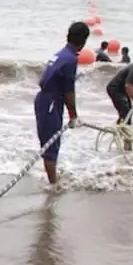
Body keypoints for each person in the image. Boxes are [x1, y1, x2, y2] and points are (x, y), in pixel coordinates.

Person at [33, 22, 90, 184]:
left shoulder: (62, 53)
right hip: (50, 103)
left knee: (50, 143)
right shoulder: (71, 59)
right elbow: (68, 91)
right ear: (84, 41)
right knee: (51, 147)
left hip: (44, 99)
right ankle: (53, 185)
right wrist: (73, 116)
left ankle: (53, 178)